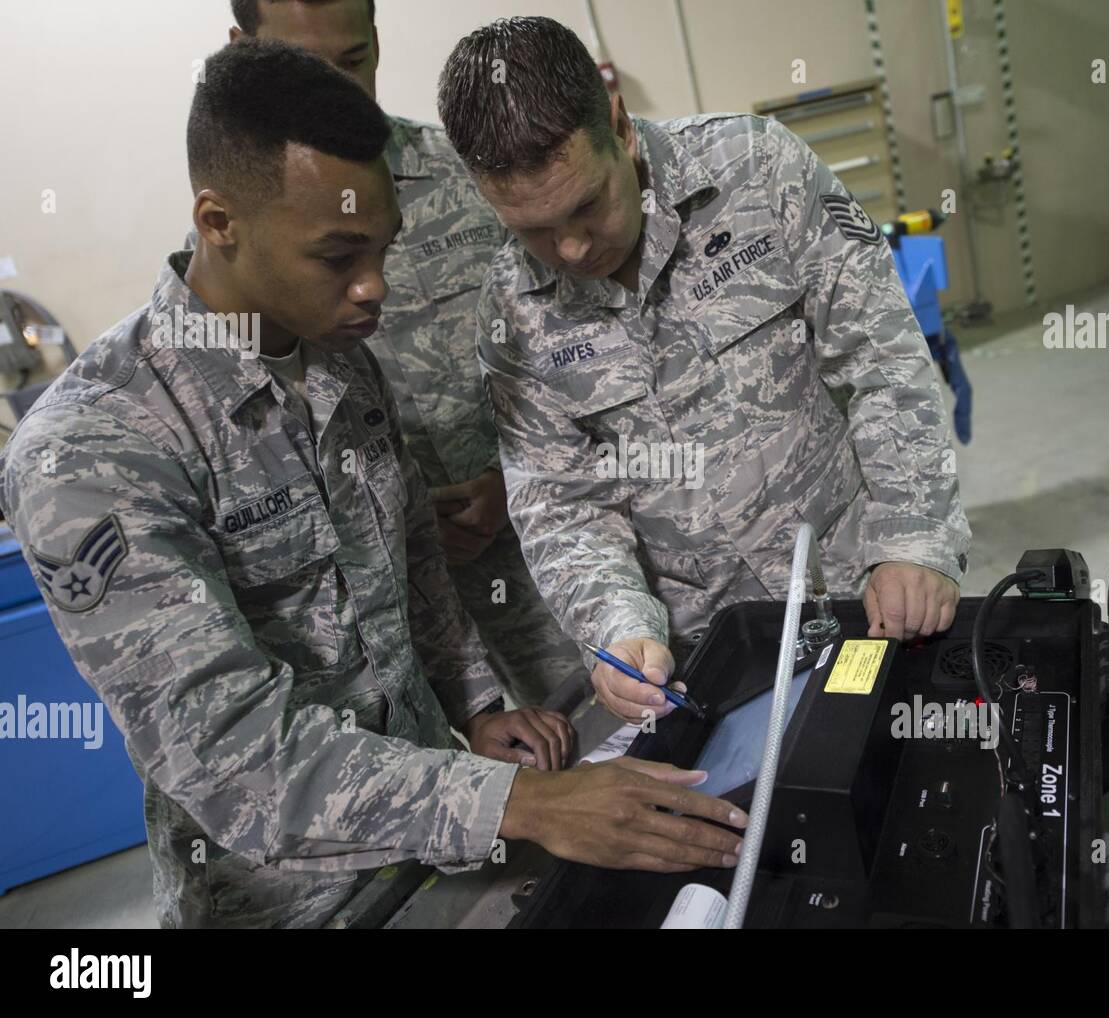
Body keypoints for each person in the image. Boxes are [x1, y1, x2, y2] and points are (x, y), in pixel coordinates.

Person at [0, 38, 746, 929]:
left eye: (383, 252)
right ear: (218, 220)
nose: (373, 290)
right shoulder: (94, 449)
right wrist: (523, 805)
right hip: (289, 905)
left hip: (435, 857)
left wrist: (472, 706)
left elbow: (414, 562)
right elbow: (235, 759)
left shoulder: (340, 367)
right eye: (337, 256)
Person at [437, 17, 973, 723]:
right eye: (530, 228)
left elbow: (880, 355)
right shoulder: (512, 312)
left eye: (585, 205)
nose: (568, 248)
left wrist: (911, 537)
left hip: (866, 589)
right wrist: (618, 629)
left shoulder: (754, 169)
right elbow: (560, 504)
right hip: (708, 655)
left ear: (619, 127)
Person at [223, 0, 585, 706]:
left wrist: (524, 477)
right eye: (305, 67)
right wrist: (397, 521)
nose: (337, 90)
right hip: (397, 639)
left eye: (354, 60)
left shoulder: (472, 174)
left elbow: (585, 345)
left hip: (564, 559)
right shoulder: (241, 247)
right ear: (245, 51)